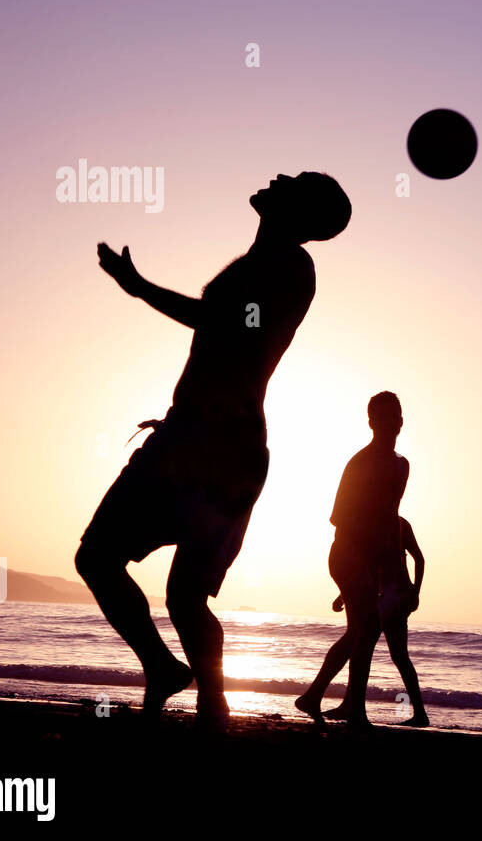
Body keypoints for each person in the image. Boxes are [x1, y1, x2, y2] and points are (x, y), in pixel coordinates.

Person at [75, 172, 351, 732]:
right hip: (187, 439)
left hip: (223, 451)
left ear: (298, 210)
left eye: (291, 180)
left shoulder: (292, 266)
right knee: (98, 559)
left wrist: (139, 287)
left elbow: (222, 323)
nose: (277, 176)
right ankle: (165, 669)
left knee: (183, 596)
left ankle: (213, 708)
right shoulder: (257, 261)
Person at [295, 391, 409, 728]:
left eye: (397, 416)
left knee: (359, 631)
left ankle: (315, 696)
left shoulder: (401, 465)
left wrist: (394, 569)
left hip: (372, 557)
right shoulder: (359, 464)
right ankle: (353, 706)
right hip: (347, 552)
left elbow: (392, 517)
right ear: (372, 422)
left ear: (402, 421)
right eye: (385, 417)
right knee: (369, 627)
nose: (392, 423)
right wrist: (361, 568)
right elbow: (340, 519)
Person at [296, 515, 429, 726]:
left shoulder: (399, 524)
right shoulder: (371, 524)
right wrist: (343, 594)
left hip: (395, 594)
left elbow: (419, 559)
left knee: (391, 652)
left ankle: (419, 714)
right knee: (362, 644)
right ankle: (348, 703)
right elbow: (366, 567)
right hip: (378, 594)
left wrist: (415, 593)